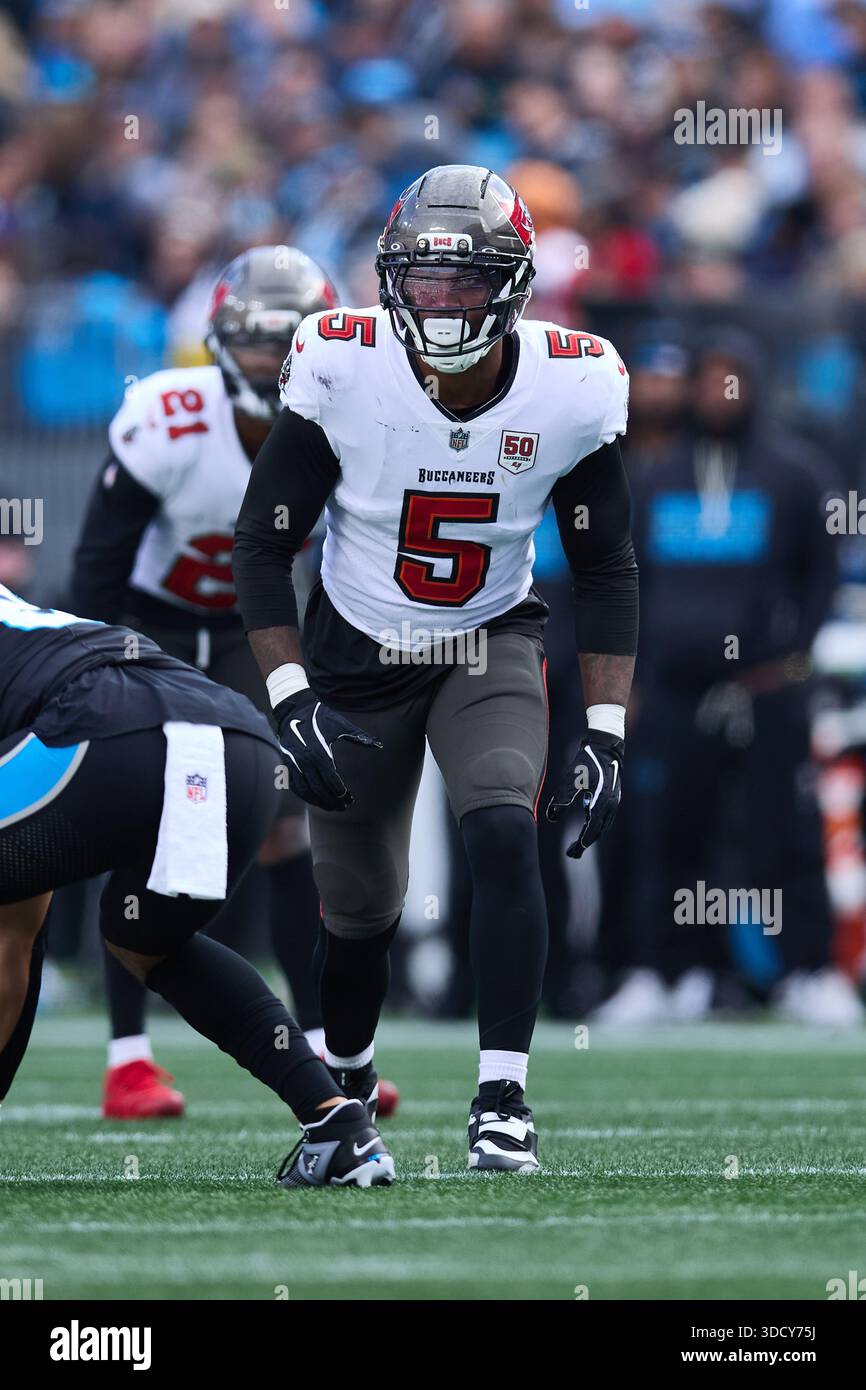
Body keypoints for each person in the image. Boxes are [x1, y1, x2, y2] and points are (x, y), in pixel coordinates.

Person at [233, 165, 638, 1171]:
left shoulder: (573, 383)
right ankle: (352, 1079)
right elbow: (260, 538)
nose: (443, 300)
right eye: (423, 278)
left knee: (503, 824)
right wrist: (288, 696)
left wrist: (606, 731)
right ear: (386, 280)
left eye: (466, 281)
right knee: (358, 906)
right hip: (354, 647)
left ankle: (501, 1096)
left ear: (512, 284)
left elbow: (604, 565)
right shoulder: (339, 360)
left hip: (486, 636)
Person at [70, 245, 396, 1120]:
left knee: (292, 833)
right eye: (254, 342)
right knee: (141, 832)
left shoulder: (351, 424)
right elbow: (98, 563)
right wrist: (106, 658)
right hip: (153, 627)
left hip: (259, 635)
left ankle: (326, 1047)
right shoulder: (167, 418)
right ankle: (128, 1060)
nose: (268, 361)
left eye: (286, 342)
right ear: (217, 344)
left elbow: (361, 562)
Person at [0, 584, 394, 1188]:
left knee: (20, 927)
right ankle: (336, 1124)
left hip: (108, 728)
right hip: (235, 738)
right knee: (144, 939)